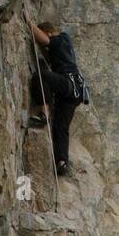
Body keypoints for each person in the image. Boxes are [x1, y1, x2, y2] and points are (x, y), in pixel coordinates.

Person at [25, 15, 86, 177]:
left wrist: (29, 23)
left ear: (49, 32)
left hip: (68, 83)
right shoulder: (64, 48)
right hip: (75, 92)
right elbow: (49, 50)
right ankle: (62, 162)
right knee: (61, 127)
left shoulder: (61, 39)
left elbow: (45, 41)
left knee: (41, 76)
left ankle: (44, 113)